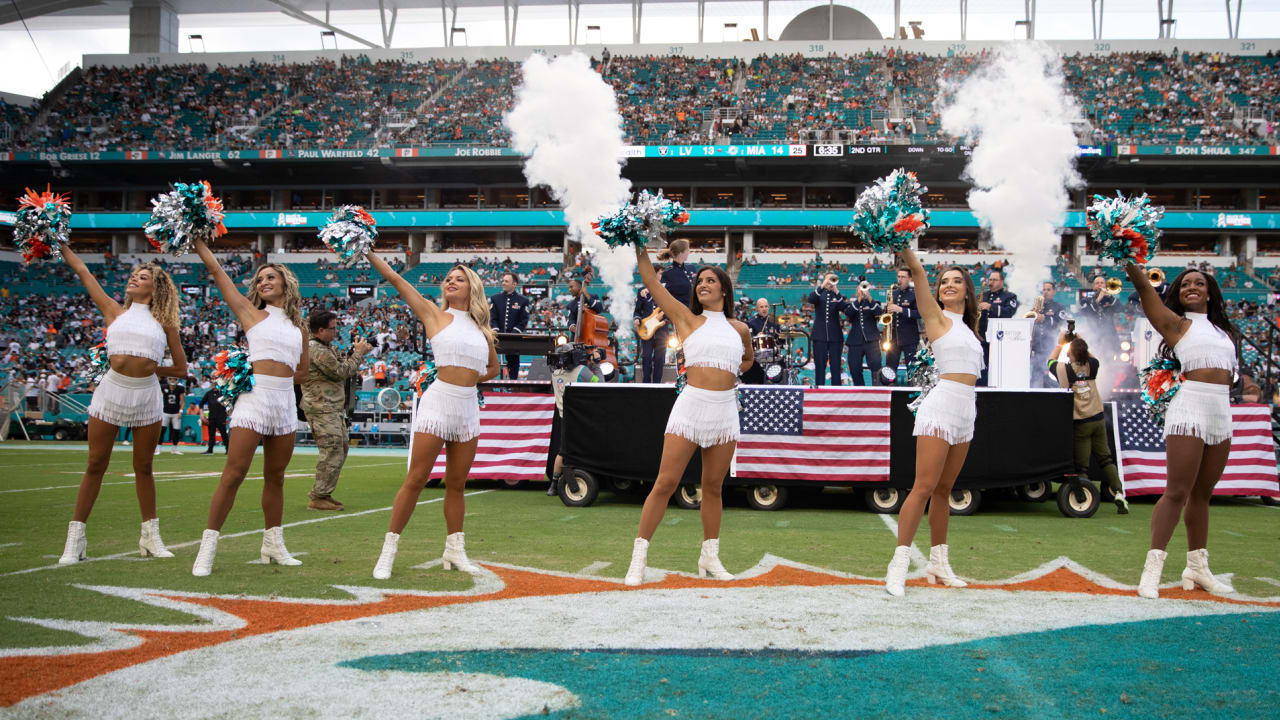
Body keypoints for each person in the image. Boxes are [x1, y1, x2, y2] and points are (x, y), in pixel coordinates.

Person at [623, 245, 753, 586]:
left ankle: (709, 558)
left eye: (710, 280)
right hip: (691, 406)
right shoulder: (686, 318)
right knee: (665, 482)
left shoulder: (740, 329)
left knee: (713, 486)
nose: (702, 285)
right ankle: (638, 558)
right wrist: (639, 244)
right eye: (699, 281)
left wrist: (728, 374)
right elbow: (651, 281)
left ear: (724, 288)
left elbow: (748, 361)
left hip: (726, 410)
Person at [56, 246, 186, 565]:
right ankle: (76, 540)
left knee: (143, 467)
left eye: (142, 277)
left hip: (146, 396)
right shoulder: (114, 311)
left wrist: (152, 368)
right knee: (96, 464)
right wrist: (59, 242)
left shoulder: (166, 323)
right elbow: (84, 272)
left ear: (155, 288)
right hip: (111, 392)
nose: (133, 279)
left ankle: (150, 537)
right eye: (133, 275)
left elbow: (181, 368)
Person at [370, 259, 499, 580]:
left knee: (456, 484)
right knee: (416, 479)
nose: (451, 282)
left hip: (467, 408)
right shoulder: (434, 314)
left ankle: (454, 551)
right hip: (438, 402)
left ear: (472, 287)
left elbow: (494, 368)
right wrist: (369, 251)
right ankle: (388, 551)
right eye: (448, 279)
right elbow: (396, 279)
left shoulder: (484, 329)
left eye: (459, 279)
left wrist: (470, 379)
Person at [190, 247, 309, 577]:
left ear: (286, 283)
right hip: (254, 398)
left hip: (284, 403)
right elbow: (218, 273)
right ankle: (207, 548)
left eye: (270, 277)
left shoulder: (300, 329)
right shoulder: (251, 313)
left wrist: (279, 375)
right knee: (234, 471)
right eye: (259, 279)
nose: (263, 282)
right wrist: (200, 243)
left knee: (276, 476)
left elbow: (302, 372)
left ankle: (273, 543)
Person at [1125, 264, 1239, 599]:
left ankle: (1197, 568)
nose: (1192, 287)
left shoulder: (1223, 332)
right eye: (1185, 283)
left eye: (1199, 283)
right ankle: (1152, 569)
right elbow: (1147, 294)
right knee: (1176, 491)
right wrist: (1130, 260)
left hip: (1221, 410)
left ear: (1209, 292)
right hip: (1189, 407)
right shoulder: (1177, 324)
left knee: (1203, 493)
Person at [885, 250, 983, 597]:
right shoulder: (936, 318)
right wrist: (907, 245)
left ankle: (938, 563)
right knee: (923, 487)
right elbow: (919, 274)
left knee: (945, 491)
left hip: (966, 412)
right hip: (940, 408)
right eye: (945, 282)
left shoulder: (971, 329)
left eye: (957, 281)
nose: (950, 285)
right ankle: (897, 566)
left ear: (969, 291)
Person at [301, 309, 370, 512]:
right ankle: (318, 496)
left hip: (330, 407)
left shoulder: (322, 347)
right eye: (332, 328)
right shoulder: (317, 349)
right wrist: (358, 354)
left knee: (340, 447)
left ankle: (323, 493)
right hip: (322, 407)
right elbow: (341, 372)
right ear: (320, 330)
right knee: (332, 449)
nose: (336, 331)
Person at [1051, 335, 1128, 514]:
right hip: (1098, 419)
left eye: (1070, 354)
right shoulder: (1092, 365)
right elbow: (1091, 356)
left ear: (1071, 354)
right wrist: (1078, 339)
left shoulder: (1065, 370)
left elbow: (1050, 361)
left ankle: (1083, 498)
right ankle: (1119, 493)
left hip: (1081, 422)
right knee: (1106, 459)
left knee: (1081, 466)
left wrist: (1061, 343)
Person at [977, 269, 1018, 385]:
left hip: (1000, 340)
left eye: (995, 280)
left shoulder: (1009, 296)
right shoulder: (982, 296)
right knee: (982, 368)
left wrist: (991, 307)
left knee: (998, 368)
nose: (991, 282)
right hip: (981, 337)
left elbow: (1009, 312)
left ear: (1002, 282)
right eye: (990, 279)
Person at [806, 272, 847, 386]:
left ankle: (837, 391)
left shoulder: (837, 295)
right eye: (828, 279)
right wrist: (822, 285)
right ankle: (819, 390)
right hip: (819, 335)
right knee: (820, 366)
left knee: (836, 366)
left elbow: (844, 307)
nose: (830, 281)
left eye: (832, 279)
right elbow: (811, 299)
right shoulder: (819, 294)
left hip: (835, 336)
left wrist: (836, 290)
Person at [882, 268, 921, 385]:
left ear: (910, 279)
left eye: (903, 277)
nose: (900, 279)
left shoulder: (914, 294)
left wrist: (901, 310)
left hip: (910, 337)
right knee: (890, 369)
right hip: (894, 338)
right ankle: (889, 392)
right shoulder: (893, 293)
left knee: (912, 370)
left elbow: (919, 314)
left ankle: (913, 394)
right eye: (899, 276)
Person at [489, 271, 531, 379]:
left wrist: (514, 333)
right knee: (489, 358)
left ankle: (513, 383)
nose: (503, 283)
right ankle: (487, 383)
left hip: (514, 337)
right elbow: (492, 317)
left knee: (513, 361)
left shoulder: (523, 300)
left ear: (514, 284)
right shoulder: (495, 298)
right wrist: (496, 330)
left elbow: (524, 320)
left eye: (506, 281)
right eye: (503, 281)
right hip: (496, 336)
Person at [843, 283, 883, 386]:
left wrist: (869, 297)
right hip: (855, 340)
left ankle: (877, 388)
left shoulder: (874, 303)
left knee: (876, 365)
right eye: (859, 290)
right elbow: (848, 313)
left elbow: (879, 312)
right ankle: (859, 388)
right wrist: (859, 299)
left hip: (872, 339)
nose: (862, 292)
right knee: (854, 367)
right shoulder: (852, 305)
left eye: (864, 289)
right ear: (856, 292)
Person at [1031, 281, 1068, 388]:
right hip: (1037, 346)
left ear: (1054, 292)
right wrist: (1033, 315)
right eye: (1044, 290)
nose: (1046, 292)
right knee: (1036, 376)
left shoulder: (1059, 307)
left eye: (1048, 290)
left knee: (1052, 376)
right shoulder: (1037, 307)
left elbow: (1060, 321)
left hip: (1051, 347)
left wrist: (1044, 318)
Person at [1079, 274, 1120, 362]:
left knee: (1111, 363)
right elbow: (1087, 312)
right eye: (1097, 283)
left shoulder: (1111, 300)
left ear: (1105, 285)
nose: (1100, 285)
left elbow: (1120, 308)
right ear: (1094, 287)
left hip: (1110, 337)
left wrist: (1109, 296)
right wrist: (1099, 298)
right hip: (1093, 336)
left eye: (1102, 283)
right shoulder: (1086, 300)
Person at [742, 297, 780, 385]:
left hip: (773, 355)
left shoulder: (774, 322)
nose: (764, 309)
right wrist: (755, 336)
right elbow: (747, 340)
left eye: (766, 306)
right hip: (756, 356)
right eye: (761, 307)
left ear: (769, 308)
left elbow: (780, 340)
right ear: (757, 308)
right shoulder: (751, 322)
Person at [634, 286, 666, 383]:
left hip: (661, 331)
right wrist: (637, 318)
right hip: (646, 329)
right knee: (646, 357)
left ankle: (657, 383)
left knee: (659, 359)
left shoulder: (666, 290)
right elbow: (637, 310)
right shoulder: (642, 290)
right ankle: (646, 383)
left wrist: (667, 319)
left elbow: (671, 310)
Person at [197, 385, 229, 454]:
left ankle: (228, 449)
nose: (213, 385)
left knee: (223, 433)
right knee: (211, 434)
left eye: (215, 383)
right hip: (212, 416)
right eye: (212, 383)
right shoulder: (208, 393)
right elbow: (201, 404)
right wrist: (202, 414)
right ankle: (210, 450)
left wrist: (227, 413)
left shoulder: (222, 393)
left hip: (221, 416)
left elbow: (228, 404)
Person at [158, 377, 185, 455]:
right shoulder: (164, 387)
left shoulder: (180, 388)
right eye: (171, 379)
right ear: (168, 379)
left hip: (176, 413)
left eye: (174, 379)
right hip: (165, 412)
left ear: (177, 380)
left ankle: (174, 449)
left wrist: (181, 412)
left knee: (176, 431)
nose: (172, 380)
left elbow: (183, 402)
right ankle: (158, 449)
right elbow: (159, 399)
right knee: (162, 431)